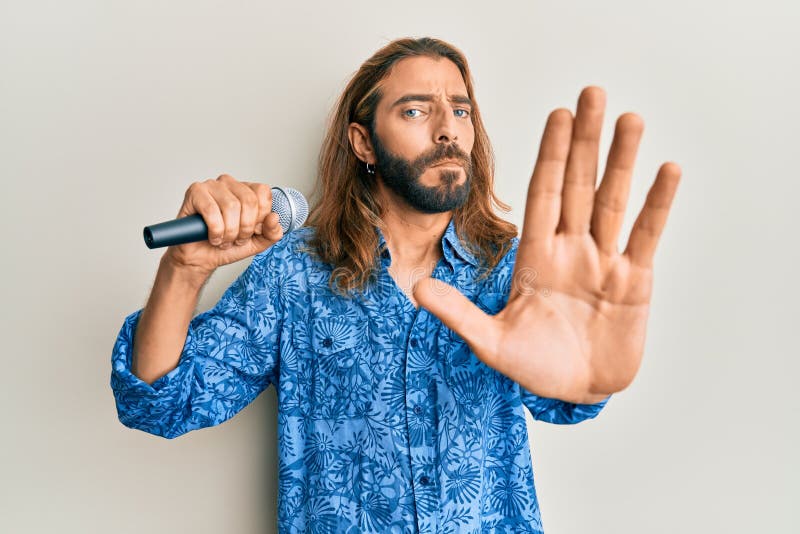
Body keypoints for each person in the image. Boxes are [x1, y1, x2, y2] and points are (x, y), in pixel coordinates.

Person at [110, 36, 681, 533]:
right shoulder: (295, 274)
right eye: (415, 111)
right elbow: (161, 405)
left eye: (460, 111)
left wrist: (586, 385)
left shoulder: (515, 269)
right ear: (363, 144)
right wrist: (184, 270)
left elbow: (562, 395)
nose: (447, 131)